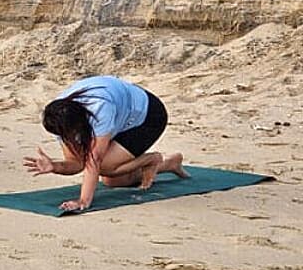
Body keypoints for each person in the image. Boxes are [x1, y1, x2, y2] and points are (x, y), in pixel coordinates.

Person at [24, 75, 189, 212]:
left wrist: (83, 201)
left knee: (104, 166)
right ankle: (168, 164)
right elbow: (76, 164)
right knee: (113, 181)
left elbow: (93, 160)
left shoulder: (99, 109)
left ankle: (151, 159)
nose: (69, 138)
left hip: (147, 115)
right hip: (120, 116)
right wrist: (55, 167)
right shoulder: (59, 119)